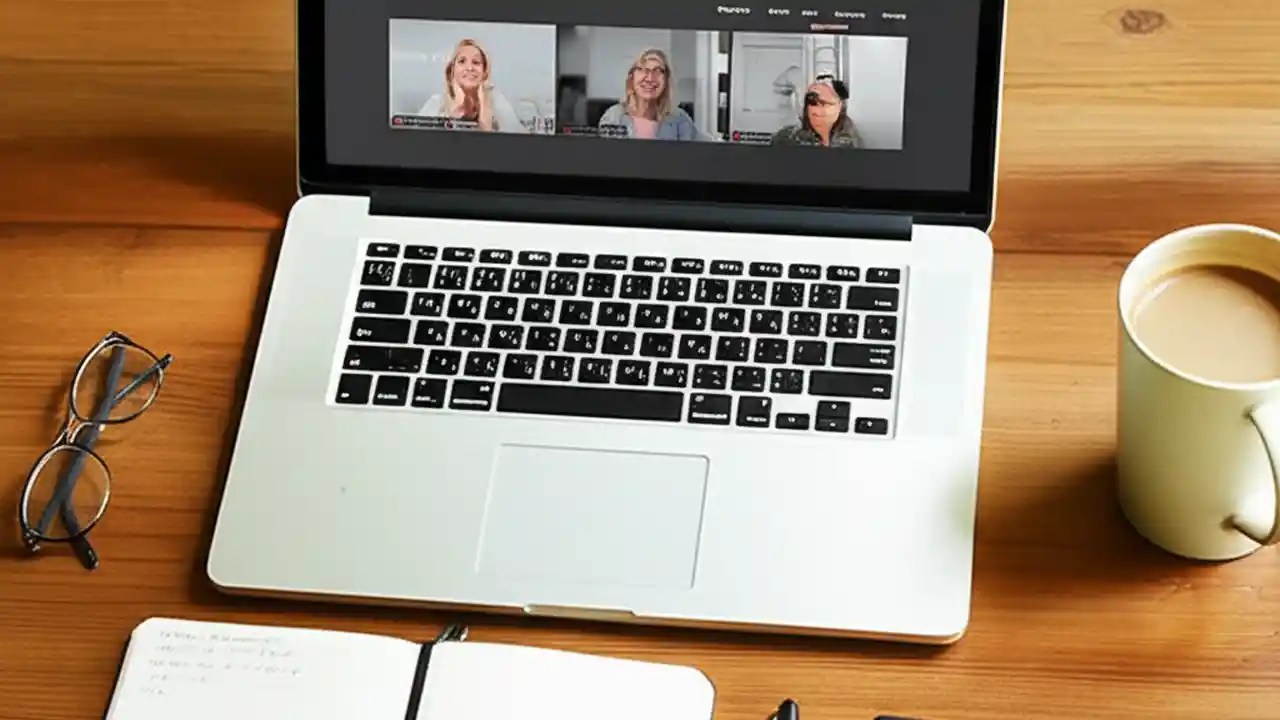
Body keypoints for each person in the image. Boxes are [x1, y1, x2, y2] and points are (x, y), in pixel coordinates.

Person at [597, 48, 711, 141]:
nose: (650, 78)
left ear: (666, 80)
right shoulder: (614, 117)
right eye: (642, 70)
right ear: (632, 78)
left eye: (657, 71)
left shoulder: (680, 119)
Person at [417, 38, 525, 133]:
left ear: (484, 72)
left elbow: (519, 144)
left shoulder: (497, 101)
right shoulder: (437, 103)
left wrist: (486, 126)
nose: (469, 68)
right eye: (462, 61)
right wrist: (454, 115)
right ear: (452, 71)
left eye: (476, 62)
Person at [770, 75, 864, 148]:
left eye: (825, 104)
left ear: (840, 106)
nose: (816, 111)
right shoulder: (786, 139)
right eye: (812, 103)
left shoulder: (853, 140)